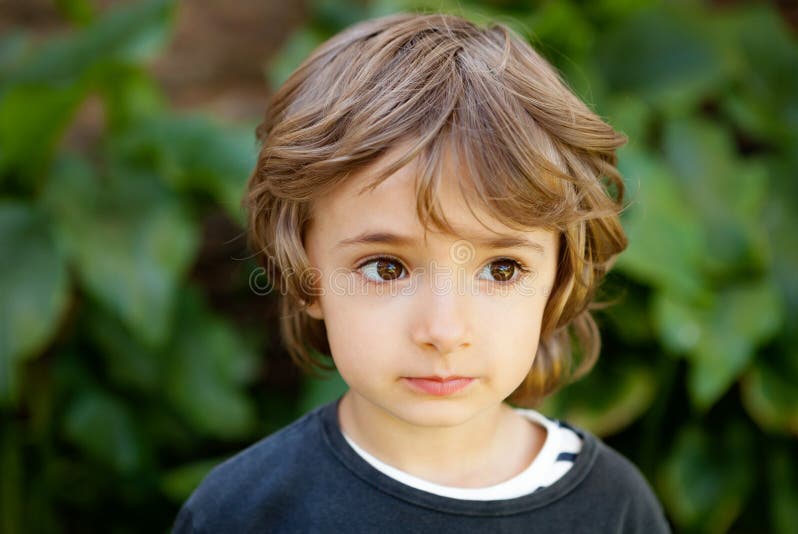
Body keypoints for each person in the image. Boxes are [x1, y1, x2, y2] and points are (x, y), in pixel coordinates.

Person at [173, 12, 670, 533]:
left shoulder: (614, 510)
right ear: (306, 273)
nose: (444, 331)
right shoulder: (243, 512)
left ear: (558, 277)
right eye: (386, 268)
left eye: (501, 269)